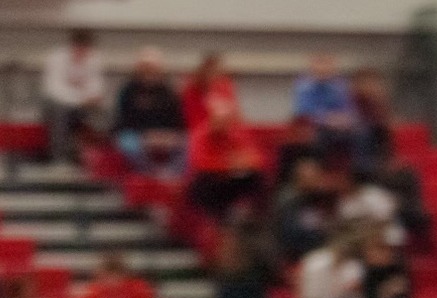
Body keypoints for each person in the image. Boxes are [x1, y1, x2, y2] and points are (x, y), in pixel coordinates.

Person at [185, 99, 268, 221]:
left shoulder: (237, 134)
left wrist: (236, 163)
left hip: (231, 179)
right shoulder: (200, 135)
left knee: (257, 178)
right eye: (219, 121)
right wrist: (229, 163)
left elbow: (257, 160)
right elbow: (200, 163)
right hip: (210, 181)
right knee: (201, 183)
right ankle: (210, 223)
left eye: (226, 121)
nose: (222, 125)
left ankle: (253, 219)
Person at [113, 49, 188, 179]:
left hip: (164, 134)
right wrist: (145, 135)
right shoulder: (128, 91)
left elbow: (176, 119)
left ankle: (169, 174)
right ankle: (148, 173)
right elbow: (124, 119)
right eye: (145, 67)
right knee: (127, 144)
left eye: (152, 68)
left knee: (189, 143)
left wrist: (167, 135)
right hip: (136, 133)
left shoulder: (168, 92)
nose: (149, 71)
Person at [41, 29, 106, 166]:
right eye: (79, 48)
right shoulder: (57, 58)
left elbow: (96, 86)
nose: (82, 53)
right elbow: (54, 90)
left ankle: (96, 160)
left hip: (83, 106)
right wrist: (81, 98)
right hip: (57, 104)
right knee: (60, 112)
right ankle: (58, 159)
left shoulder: (94, 59)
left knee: (104, 113)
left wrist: (90, 97)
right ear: (73, 46)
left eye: (85, 49)